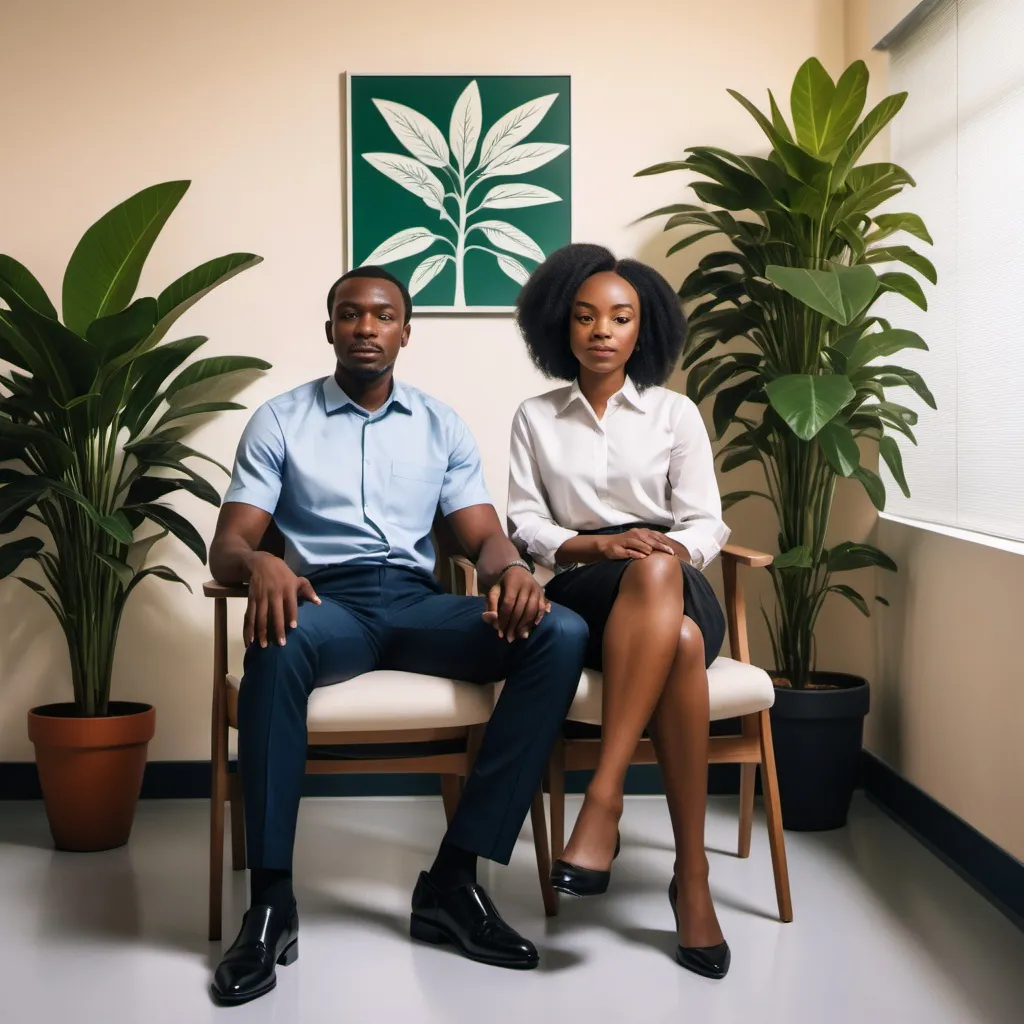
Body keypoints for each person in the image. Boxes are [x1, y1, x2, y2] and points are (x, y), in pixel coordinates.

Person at [208, 266, 588, 1006]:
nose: (366, 327)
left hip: (417, 603)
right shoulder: (281, 419)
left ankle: (454, 879)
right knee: (275, 646)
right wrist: (261, 565)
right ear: (330, 330)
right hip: (328, 603)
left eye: (382, 315)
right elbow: (227, 544)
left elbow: (481, 534)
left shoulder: (439, 423)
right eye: (349, 315)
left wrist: (510, 569)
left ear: (405, 332)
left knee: (561, 631)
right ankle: (271, 904)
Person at [507, 244, 732, 980]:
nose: (602, 330)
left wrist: (661, 552)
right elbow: (524, 523)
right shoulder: (535, 417)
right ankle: (691, 879)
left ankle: (602, 800)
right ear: (560, 327)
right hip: (585, 586)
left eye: (621, 317)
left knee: (664, 577)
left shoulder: (674, 413)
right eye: (585, 316)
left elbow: (705, 524)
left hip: (673, 574)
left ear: (644, 330)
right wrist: (591, 549)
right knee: (687, 648)